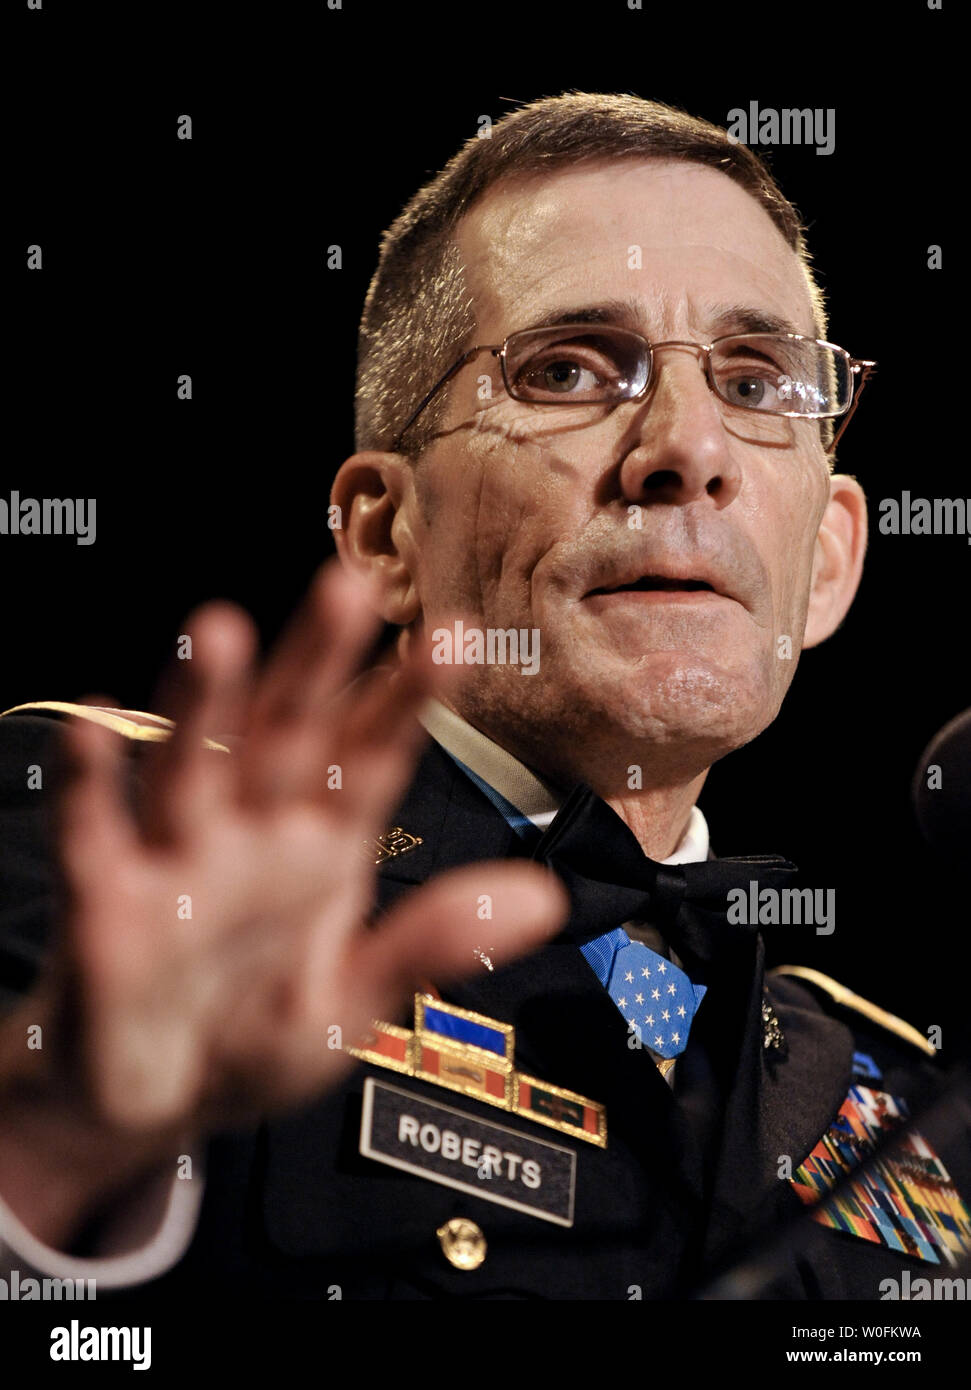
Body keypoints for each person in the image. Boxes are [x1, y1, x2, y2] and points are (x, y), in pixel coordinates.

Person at [0, 92, 967, 1302]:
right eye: (569, 367)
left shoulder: (908, 1101)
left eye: (757, 381)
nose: (687, 446)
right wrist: (55, 1142)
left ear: (827, 562)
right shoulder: (116, 852)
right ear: (383, 532)